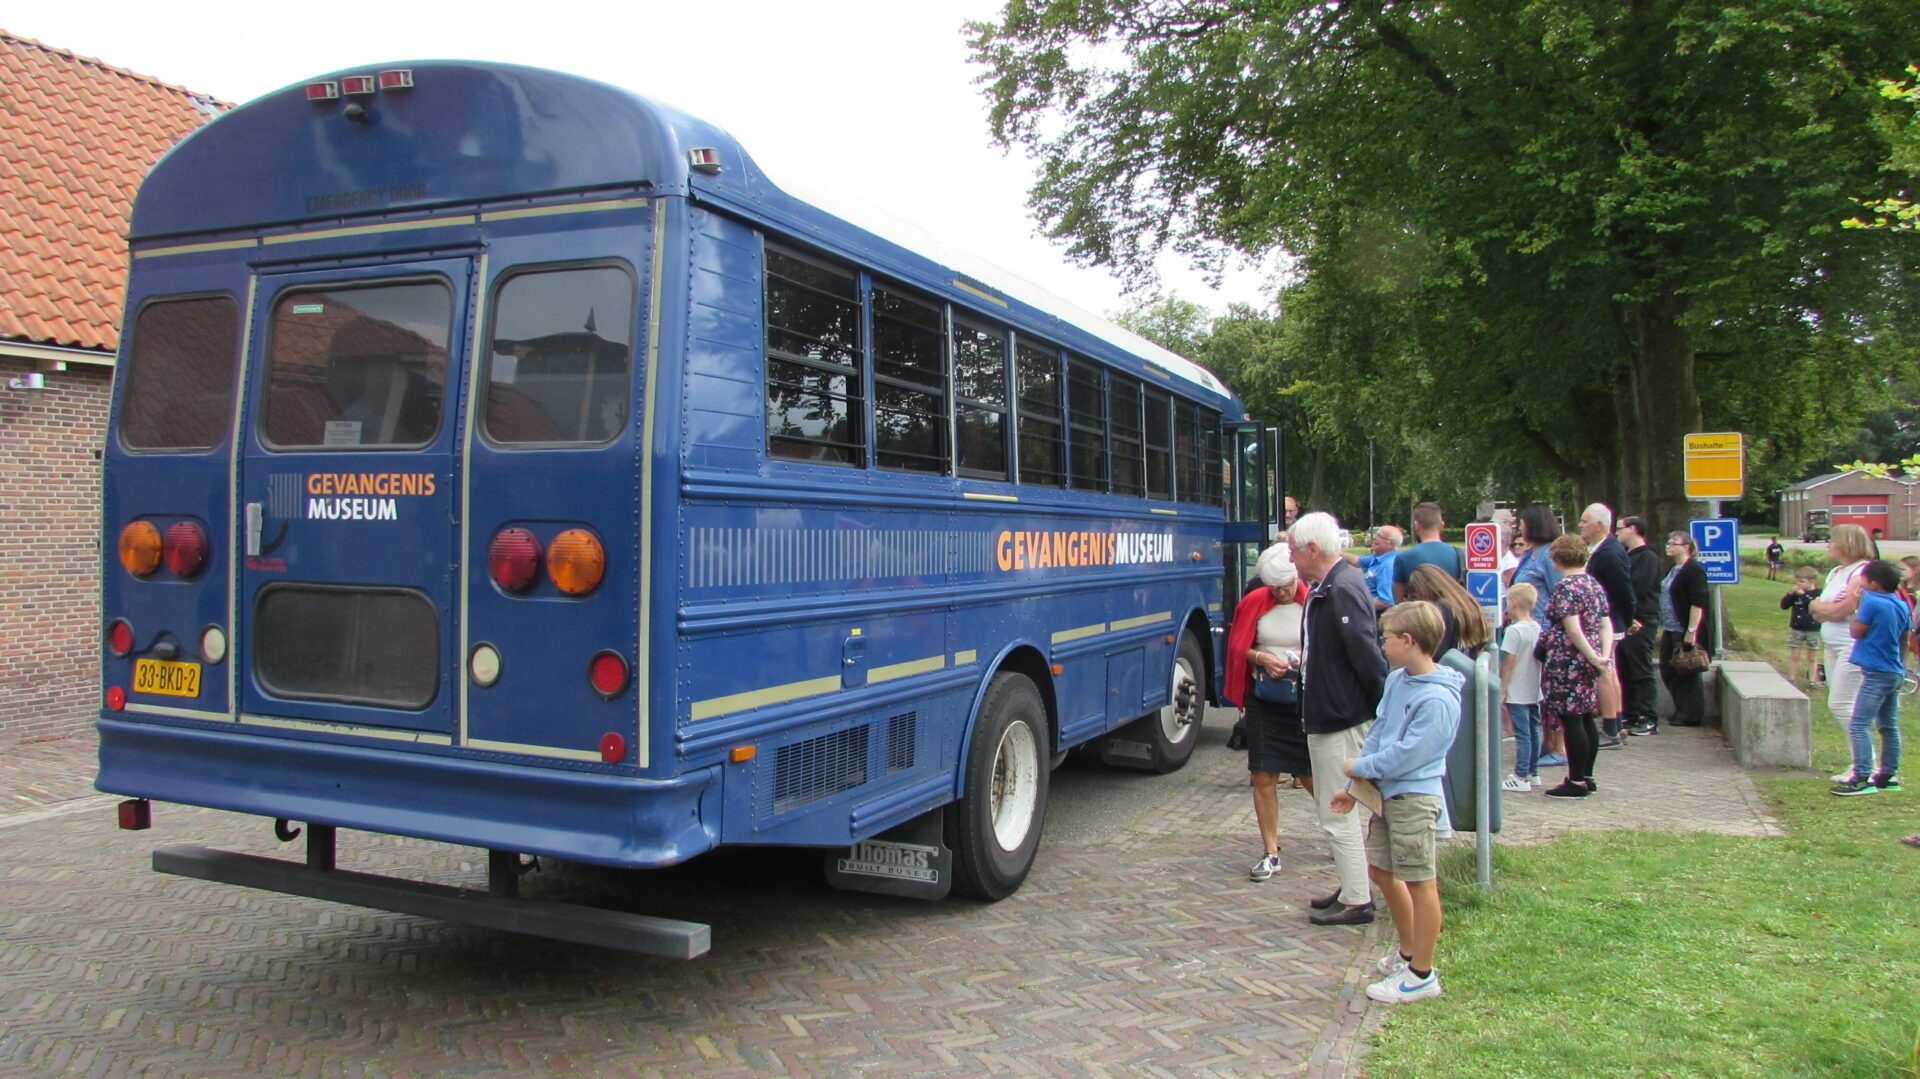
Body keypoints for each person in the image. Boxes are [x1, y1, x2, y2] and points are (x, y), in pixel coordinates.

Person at [1329, 600, 1462, 1005]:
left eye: (1386, 638)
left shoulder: (1438, 700)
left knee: (1421, 881)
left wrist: (1359, 766)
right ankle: (1408, 953)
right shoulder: (1399, 679)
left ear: (1409, 640)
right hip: (1388, 794)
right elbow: (1381, 731)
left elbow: (1407, 754)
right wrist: (1355, 787)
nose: (1381, 645)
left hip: (1414, 799)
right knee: (1383, 870)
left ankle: (1422, 973)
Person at [1288, 512, 1389, 927]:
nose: (1290, 558)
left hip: (1340, 716)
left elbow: (1365, 653)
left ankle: (1356, 900)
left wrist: (1375, 706)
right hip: (1333, 710)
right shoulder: (1333, 586)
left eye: (1294, 550)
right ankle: (1351, 887)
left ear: (1313, 550)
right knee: (1336, 807)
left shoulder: (1340, 590)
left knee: (1336, 808)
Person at [1224, 543, 1313, 879]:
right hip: (1266, 697)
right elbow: (1238, 646)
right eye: (1275, 588)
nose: (1283, 593)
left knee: (1309, 776)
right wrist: (1262, 658)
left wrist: (1300, 660)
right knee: (1263, 775)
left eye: (1288, 586)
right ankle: (1270, 850)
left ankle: (1340, 837)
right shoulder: (1255, 603)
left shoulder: (1314, 601)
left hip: (1304, 698)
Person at [1541, 534, 1614, 797]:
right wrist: (1602, 655)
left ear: (1557, 559)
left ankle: (1576, 780)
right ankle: (1587, 775)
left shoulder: (1567, 587)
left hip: (1569, 658)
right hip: (1592, 653)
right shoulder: (1593, 584)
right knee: (1585, 717)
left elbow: (1572, 628)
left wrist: (1591, 656)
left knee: (1571, 717)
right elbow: (1606, 623)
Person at [1830, 559, 1907, 796]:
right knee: (1888, 725)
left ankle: (1862, 776)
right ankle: (1888, 774)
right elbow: (1904, 636)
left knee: (1859, 723)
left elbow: (1857, 632)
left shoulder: (1871, 601)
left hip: (1876, 672)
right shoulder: (1901, 604)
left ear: (1873, 583)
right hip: (1894, 670)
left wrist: (1856, 604)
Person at [1811, 525, 1876, 780]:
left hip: (1851, 645)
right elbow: (1815, 606)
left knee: (1841, 704)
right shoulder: (1836, 572)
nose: (1829, 545)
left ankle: (1865, 764)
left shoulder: (1861, 572)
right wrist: (1820, 607)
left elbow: (1839, 611)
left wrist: (1821, 608)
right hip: (1832, 643)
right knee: (1841, 702)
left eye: (1832, 541)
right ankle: (1860, 761)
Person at [1511, 503, 1565, 763]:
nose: (1520, 528)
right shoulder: (1529, 554)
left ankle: (1558, 747)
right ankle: (1544, 743)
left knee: (1547, 690)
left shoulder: (1547, 556)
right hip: (1527, 630)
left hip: (1543, 630)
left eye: (1523, 523)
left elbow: (1558, 593)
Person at [1577, 504, 1630, 745]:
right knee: (1609, 672)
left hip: (1607, 622)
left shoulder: (1609, 554)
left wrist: (1624, 621)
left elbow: (1622, 591)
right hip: (1606, 620)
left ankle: (1611, 726)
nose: (1581, 525)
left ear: (1600, 525)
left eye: (1585, 521)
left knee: (1604, 672)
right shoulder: (1600, 549)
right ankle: (1615, 724)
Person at [1658, 531, 1714, 728]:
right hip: (1671, 627)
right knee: (1668, 668)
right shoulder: (1674, 569)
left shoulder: (1694, 569)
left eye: (1674, 543)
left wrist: (1691, 631)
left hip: (1683, 628)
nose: (1669, 546)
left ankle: (1690, 714)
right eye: (1668, 542)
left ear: (1686, 548)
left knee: (1687, 671)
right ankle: (1680, 708)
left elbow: (1697, 602)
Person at [1618, 516, 1663, 736]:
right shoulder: (1627, 556)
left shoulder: (1647, 557)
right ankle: (1631, 712)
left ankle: (1648, 716)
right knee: (1625, 669)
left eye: (1620, 528)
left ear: (1633, 530)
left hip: (1642, 619)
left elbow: (1639, 587)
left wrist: (1631, 611)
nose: (1617, 533)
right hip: (1627, 620)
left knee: (1641, 669)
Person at [1500, 582, 1543, 791]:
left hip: (1517, 687)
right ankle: (1533, 771)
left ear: (1514, 603)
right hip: (1534, 686)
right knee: (1534, 729)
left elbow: (1509, 662)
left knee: (1522, 732)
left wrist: (1504, 687)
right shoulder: (1537, 627)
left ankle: (1521, 775)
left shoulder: (1513, 631)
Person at [1406, 563, 1491, 658]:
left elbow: (1437, 652)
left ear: (1422, 590)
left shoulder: (1441, 611)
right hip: (1468, 663)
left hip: (1447, 667)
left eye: (1414, 596)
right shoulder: (1467, 602)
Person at [1392, 502, 1464, 602]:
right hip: (1453, 613)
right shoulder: (1461, 555)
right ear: (1442, 525)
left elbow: (1398, 600)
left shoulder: (1404, 557)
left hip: (1422, 615)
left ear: (1416, 525)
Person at [1781, 566, 1822, 684]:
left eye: (1802, 581)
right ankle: (1792, 677)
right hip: (1797, 628)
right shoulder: (1795, 594)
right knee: (1795, 655)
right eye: (1797, 581)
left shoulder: (1818, 593)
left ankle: (1812, 679)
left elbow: (1813, 604)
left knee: (1812, 655)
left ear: (1812, 581)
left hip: (1813, 628)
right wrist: (1790, 594)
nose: (1798, 584)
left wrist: (1803, 595)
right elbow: (1784, 606)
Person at [1351, 525, 1403, 613]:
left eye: (1379, 536)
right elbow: (1357, 561)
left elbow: (1386, 601)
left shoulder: (1387, 566)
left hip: (1377, 617)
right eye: (1376, 534)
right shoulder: (1378, 557)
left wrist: (1355, 603)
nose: (1374, 537)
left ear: (1391, 544)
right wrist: (1334, 552)